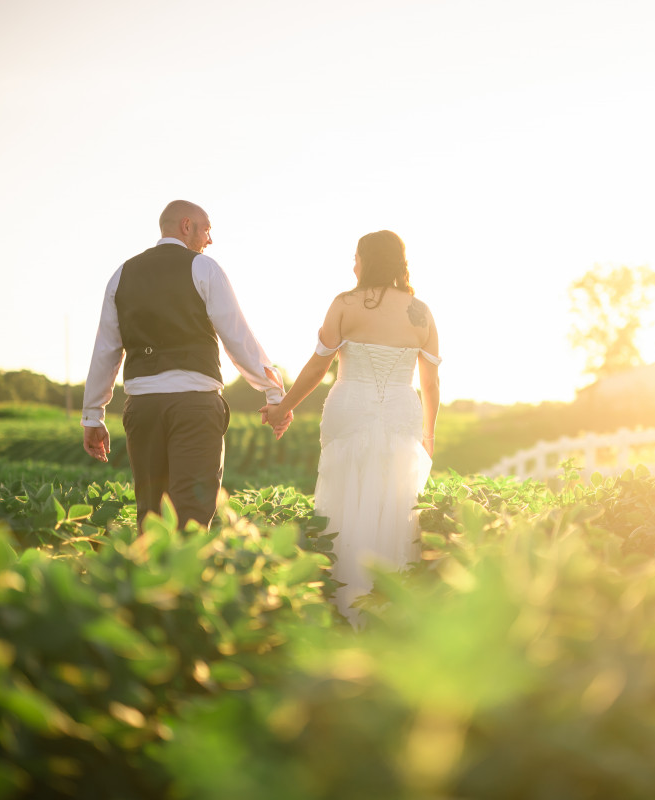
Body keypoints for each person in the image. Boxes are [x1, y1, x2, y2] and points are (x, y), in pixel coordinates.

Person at [81, 199, 291, 531]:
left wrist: (93, 415)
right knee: (191, 513)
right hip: (194, 406)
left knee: (151, 514)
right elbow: (237, 337)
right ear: (186, 226)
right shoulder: (204, 269)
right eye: (207, 229)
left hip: (143, 408)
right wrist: (274, 391)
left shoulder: (121, 274)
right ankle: (187, 582)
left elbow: (105, 350)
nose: (210, 240)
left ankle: (150, 581)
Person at [263, 230, 440, 622]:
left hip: (351, 407)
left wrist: (282, 409)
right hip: (400, 408)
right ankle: (391, 608)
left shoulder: (345, 303)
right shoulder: (421, 312)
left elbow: (317, 367)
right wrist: (429, 435)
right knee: (395, 500)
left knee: (344, 496)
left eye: (356, 256)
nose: (353, 264)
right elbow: (430, 383)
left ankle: (343, 607)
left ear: (368, 260)